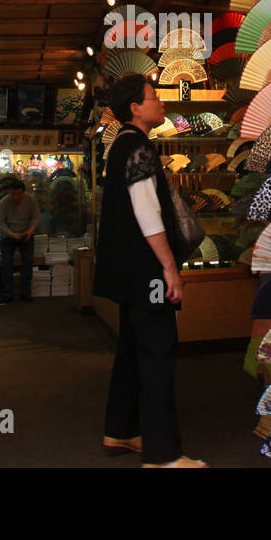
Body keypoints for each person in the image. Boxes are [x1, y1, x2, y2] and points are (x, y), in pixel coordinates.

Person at [94, 74, 205, 468]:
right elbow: (147, 213)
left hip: (126, 273)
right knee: (158, 353)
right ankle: (163, 454)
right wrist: (169, 267)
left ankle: (121, 430)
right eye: (154, 98)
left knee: (130, 349)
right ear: (135, 109)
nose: (162, 104)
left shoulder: (121, 146)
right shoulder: (138, 147)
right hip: (146, 273)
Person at [0, 179, 39, 304]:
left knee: (28, 263)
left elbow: (35, 217)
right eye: (13, 194)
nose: (16, 197)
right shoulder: (3, 203)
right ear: (9, 193)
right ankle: (7, 294)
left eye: (19, 194)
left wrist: (30, 231)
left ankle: (25, 293)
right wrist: (11, 234)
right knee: (6, 264)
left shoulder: (30, 200)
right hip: (8, 235)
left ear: (23, 193)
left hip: (26, 234)